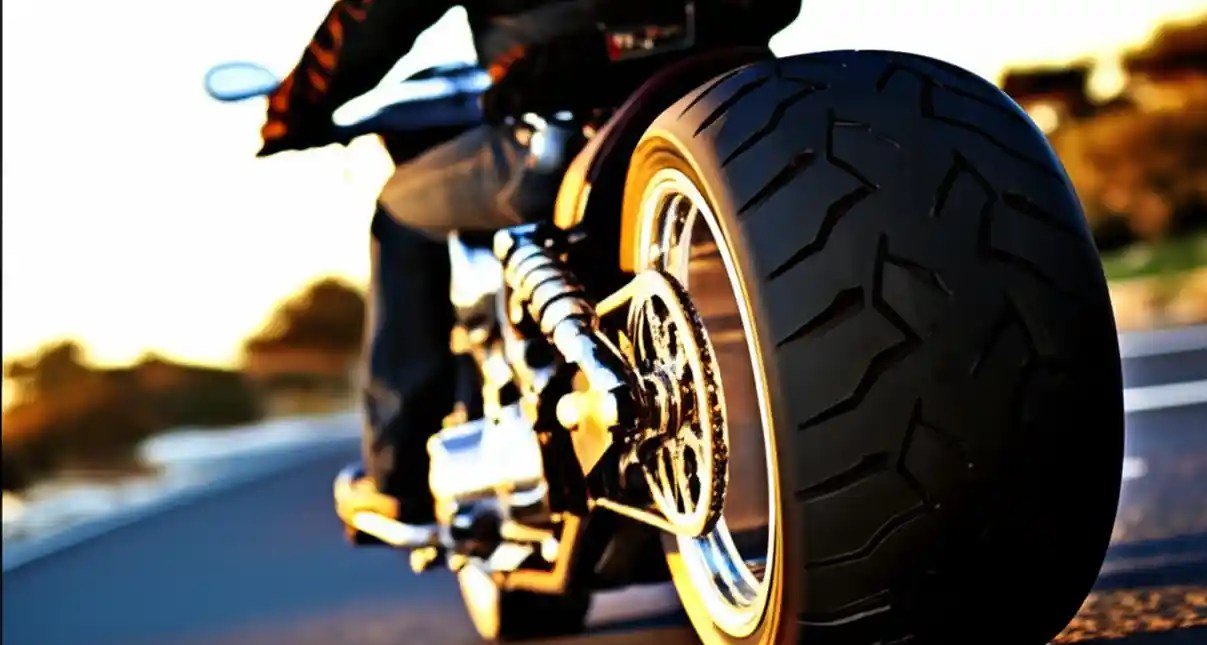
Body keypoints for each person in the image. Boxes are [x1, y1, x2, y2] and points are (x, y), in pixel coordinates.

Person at [257, 0, 802, 544]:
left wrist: (294, 108)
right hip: (734, 90)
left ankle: (397, 477)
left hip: (566, 115)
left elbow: (372, 17)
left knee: (401, 207)